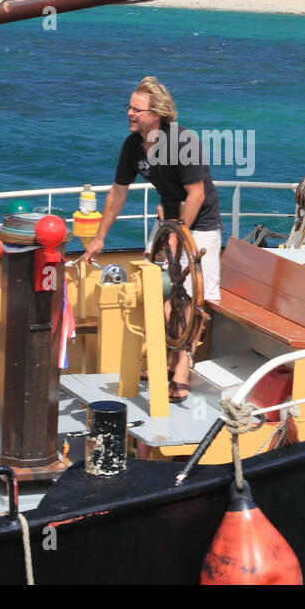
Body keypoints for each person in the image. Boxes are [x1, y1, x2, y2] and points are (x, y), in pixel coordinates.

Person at [85, 77, 222, 402]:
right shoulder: (133, 146)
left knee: (190, 298)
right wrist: (99, 238)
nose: (130, 113)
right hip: (168, 222)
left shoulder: (183, 142)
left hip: (199, 222)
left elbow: (196, 193)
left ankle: (181, 370)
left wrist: (178, 237)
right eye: (129, 107)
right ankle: (166, 358)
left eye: (137, 109)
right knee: (157, 290)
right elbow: (118, 191)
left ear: (158, 113)